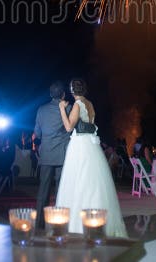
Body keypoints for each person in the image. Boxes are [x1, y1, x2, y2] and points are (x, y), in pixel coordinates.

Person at [56, 78, 127, 238]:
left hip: (80, 146)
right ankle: (96, 220)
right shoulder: (90, 104)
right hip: (91, 145)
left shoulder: (77, 104)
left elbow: (68, 127)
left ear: (72, 91)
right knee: (93, 182)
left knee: (78, 181)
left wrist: (62, 109)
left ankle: (77, 224)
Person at [33, 81, 71, 229]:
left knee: (43, 191)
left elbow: (37, 133)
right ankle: (59, 224)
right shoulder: (67, 108)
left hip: (46, 155)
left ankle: (39, 224)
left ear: (50, 94)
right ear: (63, 94)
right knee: (61, 191)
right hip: (62, 155)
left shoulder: (41, 110)